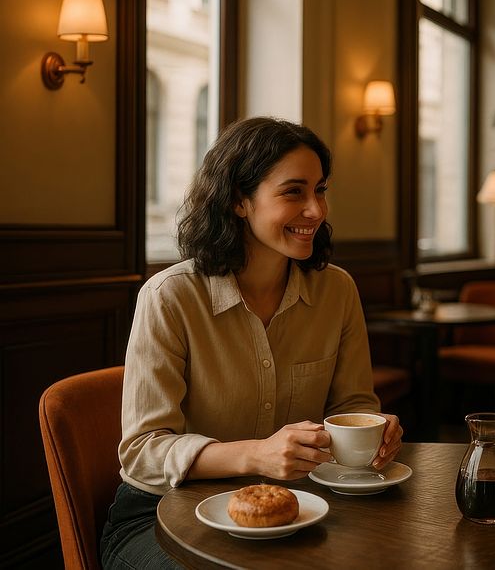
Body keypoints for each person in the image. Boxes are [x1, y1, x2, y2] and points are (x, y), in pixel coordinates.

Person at [101, 117, 403, 568]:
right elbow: (143, 451)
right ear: (240, 200)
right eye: (293, 191)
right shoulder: (171, 297)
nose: (316, 210)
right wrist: (257, 454)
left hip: (297, 506)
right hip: (162, 518)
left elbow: (352, 405)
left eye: (319, 189)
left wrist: (372, 432)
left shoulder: (336, 290)